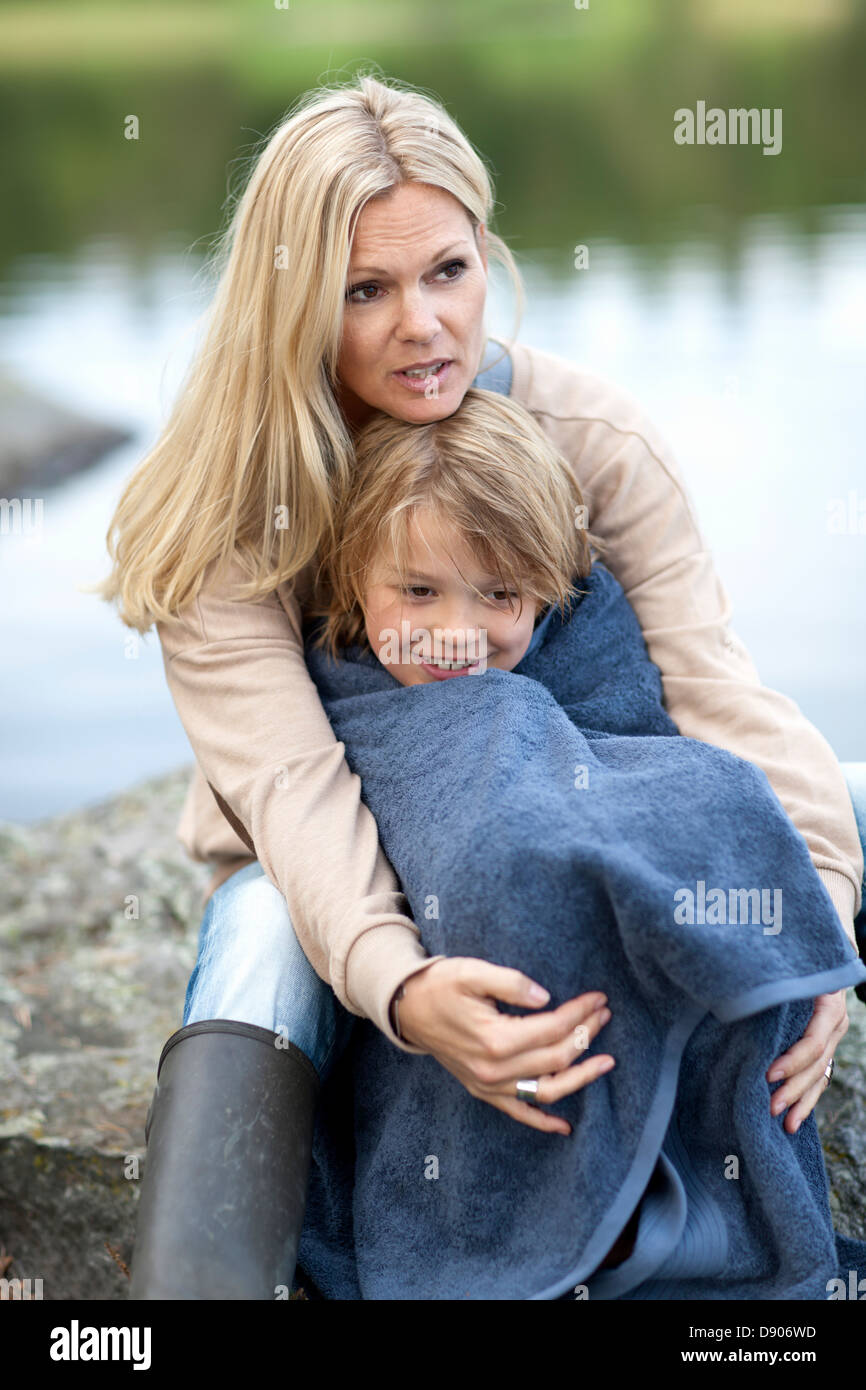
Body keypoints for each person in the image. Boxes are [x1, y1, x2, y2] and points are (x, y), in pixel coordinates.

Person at [92, 72, 864, 1299]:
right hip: (346, 854)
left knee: (838, 793)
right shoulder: (231, 507)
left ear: (484, 254)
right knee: (255, 930)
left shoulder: (589, 435)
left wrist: (814, 923)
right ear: (294, 301)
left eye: (446, 271)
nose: (424, 326)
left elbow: (714, 692)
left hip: (562, 795)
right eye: (365, 291)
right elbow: (291, 784)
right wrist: (402, 987)